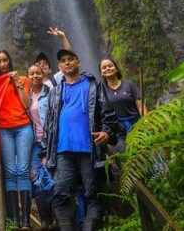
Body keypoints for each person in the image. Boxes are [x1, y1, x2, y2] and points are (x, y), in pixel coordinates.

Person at [44, 48, 118, 231]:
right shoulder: (54, 92)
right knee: (60, 193)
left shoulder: (93, 85)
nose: (67, 62)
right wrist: (46, 151)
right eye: (63, 60)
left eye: (71, 59)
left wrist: (107, 133)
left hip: (89, 149)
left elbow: (107, 112)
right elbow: (49, 124)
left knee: (92, 192)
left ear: (78, 61)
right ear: (59, 66)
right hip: (62, 150)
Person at [0, 50, 33, 229]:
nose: (2, 64)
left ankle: (25, 220)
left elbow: (26, 104)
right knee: (10, 172)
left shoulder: (23, 79)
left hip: (23, 127)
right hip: (4, 130)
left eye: (5, 60)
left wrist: (16, 82)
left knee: (23, 170)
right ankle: (14, 220)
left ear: (10, 61)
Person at [27, 62, 54, 227]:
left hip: (49, 141)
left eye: (38, 73)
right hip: (33, 143)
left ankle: (56, 216)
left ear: (43, 74)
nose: (35, 76)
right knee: (36, 178)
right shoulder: (26, 95)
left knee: (52, 177)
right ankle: (45, 219)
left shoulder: (51, 93)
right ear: (28, 76)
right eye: (32, 73)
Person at [99, 58, 145, 144]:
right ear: (101, 73)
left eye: (110, 66)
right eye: (104, 67)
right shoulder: (101, 92)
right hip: (118, 130)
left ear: (116, 69)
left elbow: (140, 105)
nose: (107, 68)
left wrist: (147, 121)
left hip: (136, 124)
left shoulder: (129, 85)